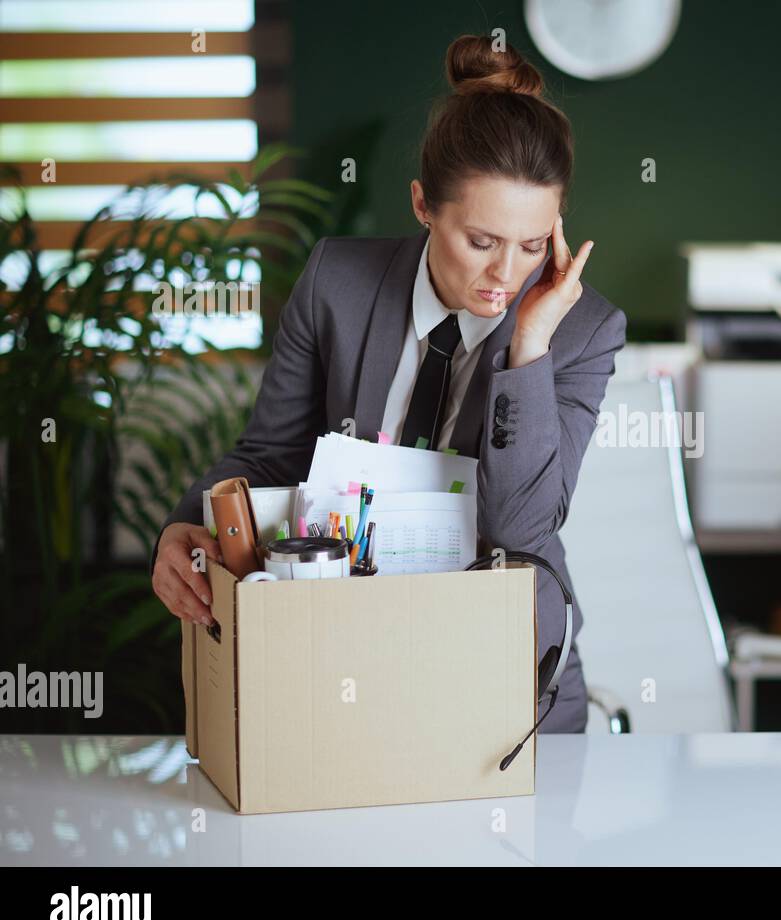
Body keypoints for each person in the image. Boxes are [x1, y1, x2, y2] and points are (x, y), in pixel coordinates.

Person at [151, 34, 627, 733]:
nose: (505, 276)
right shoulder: (336, 283)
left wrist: (529, 347)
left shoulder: (582, 330)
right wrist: (185, 525)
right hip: (346, 660)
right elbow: (269, 456)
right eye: (481, 241)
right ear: (422, 206)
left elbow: (517, 531)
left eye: (532, 246)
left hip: (506, 678)